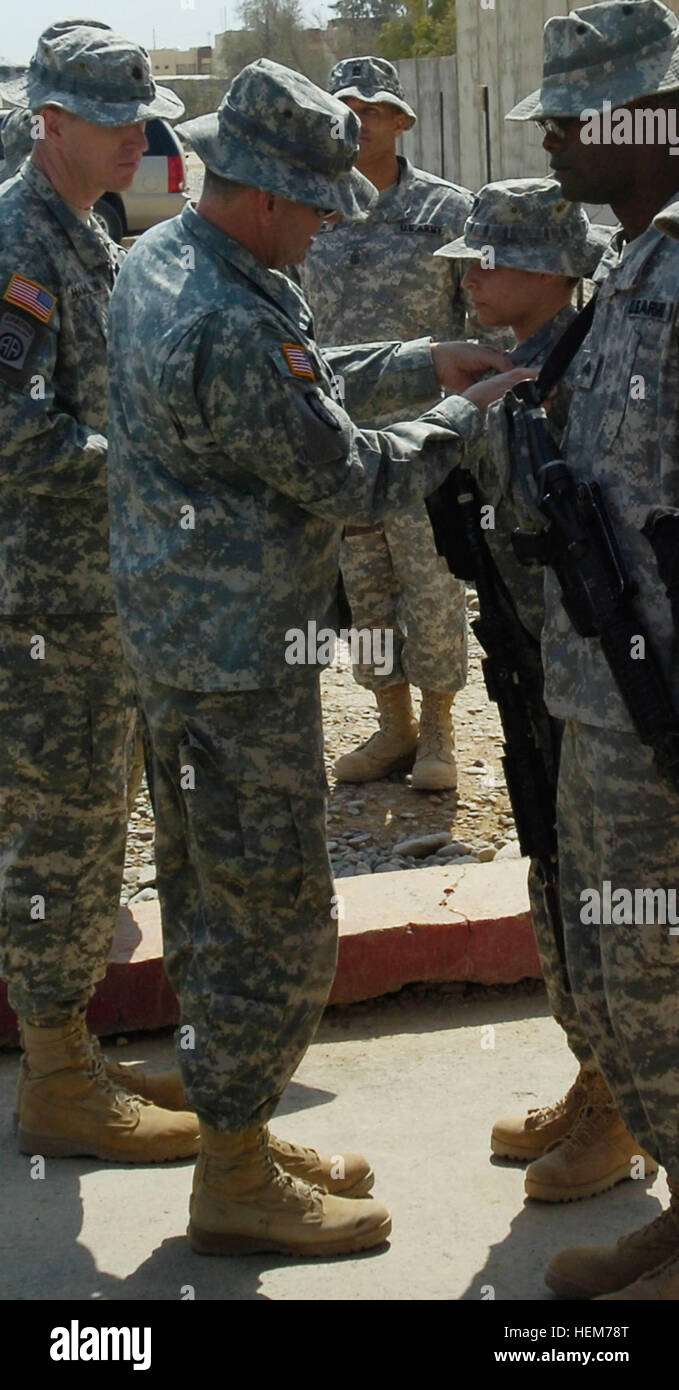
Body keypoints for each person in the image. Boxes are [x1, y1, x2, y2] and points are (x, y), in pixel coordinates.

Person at [106, 57, 527, 1258]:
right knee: (273, 916)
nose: (324, 231)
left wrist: (416, 362)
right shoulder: (229, 312)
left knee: (204, 900)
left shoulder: (170, 263)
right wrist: (462, 414)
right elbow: (349, 474)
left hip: (177, 644)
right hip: (237, 667)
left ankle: (235, 1131)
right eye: (314, 210)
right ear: (263, 197)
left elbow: (304, 387)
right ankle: (234, 1181)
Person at [0, 19, 200, 1163]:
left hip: (85, 593)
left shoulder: (77, 233)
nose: (142, 137)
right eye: (116, 121)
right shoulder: (19, 242)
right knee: (58, 837)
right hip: (45, 604)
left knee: (79, 824)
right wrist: (151, 468)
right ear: (54, 122)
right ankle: (57, 1078)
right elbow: (13, 435)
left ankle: (65, 1047)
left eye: (145, 116)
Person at [503, 0, 679, 1300]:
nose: (552, 140)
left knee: (654, 976)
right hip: (604, 695)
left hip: (658, 707)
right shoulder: (629, 260)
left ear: (640, 112)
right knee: (620, 976)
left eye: (569, 115)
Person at [436, 178, 654, 1205]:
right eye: (466, 262)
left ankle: (621, 1106)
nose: (473, 276)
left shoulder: (583, 362)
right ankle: (593, 1072)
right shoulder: (513, 364)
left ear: (554, 267)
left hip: (587, 668)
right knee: (550, 871)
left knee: (598, 893)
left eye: (494, 259)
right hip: (530, 660)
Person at [301, 56, 477, 791]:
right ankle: (392, 726)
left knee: (430, 584)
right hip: (342, 437)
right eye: (343, 106)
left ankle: (438, 732)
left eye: (371, 108)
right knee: (364, 586)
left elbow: (481, 316)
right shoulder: (307, 206)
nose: (356, 119)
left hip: (425, 438)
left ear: (401, 121)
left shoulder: (446, 211)